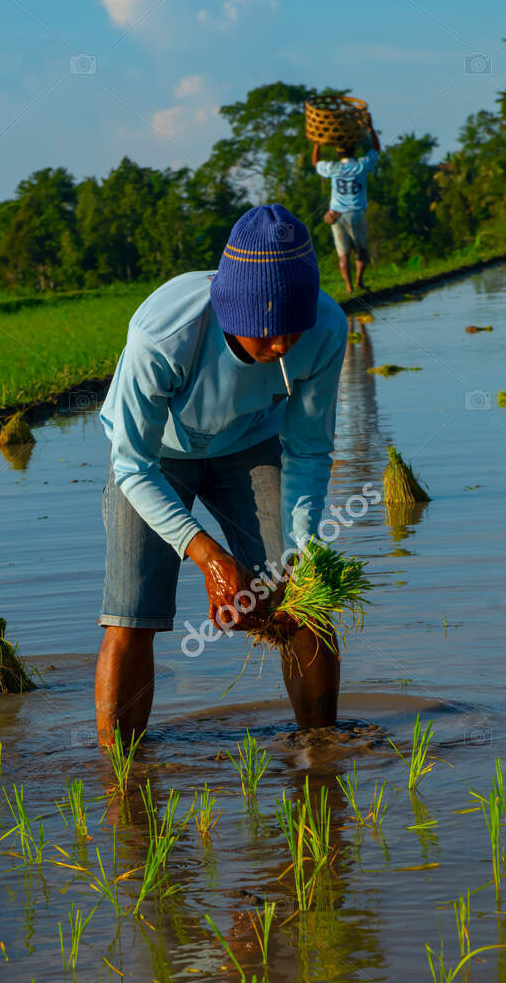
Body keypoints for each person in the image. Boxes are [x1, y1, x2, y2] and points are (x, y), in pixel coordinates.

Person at [95, 203, 348, 746]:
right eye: (270, 334)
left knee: (304, 597)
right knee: (130, 618)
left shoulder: (324, 331)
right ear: (235, 314)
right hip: (156, 455)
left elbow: (307, 452)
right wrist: (207, 556)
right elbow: (132, 465)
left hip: (251, 443)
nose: (283, 347)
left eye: (293, 331)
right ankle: (121, 780)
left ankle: (321, 757)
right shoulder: (164, 335)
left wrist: (302, 549)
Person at [312, 110, 381, 294]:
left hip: (336, 214)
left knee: (343, 254)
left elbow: (315, 163)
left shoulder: (333, 168)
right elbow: (375, 150)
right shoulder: (360, 165)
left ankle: (349, 287)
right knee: (362, 250)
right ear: (353, 150)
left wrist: (317, 143)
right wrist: (370, 128)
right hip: (356, 212)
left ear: (337, 152)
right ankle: (359, 281)